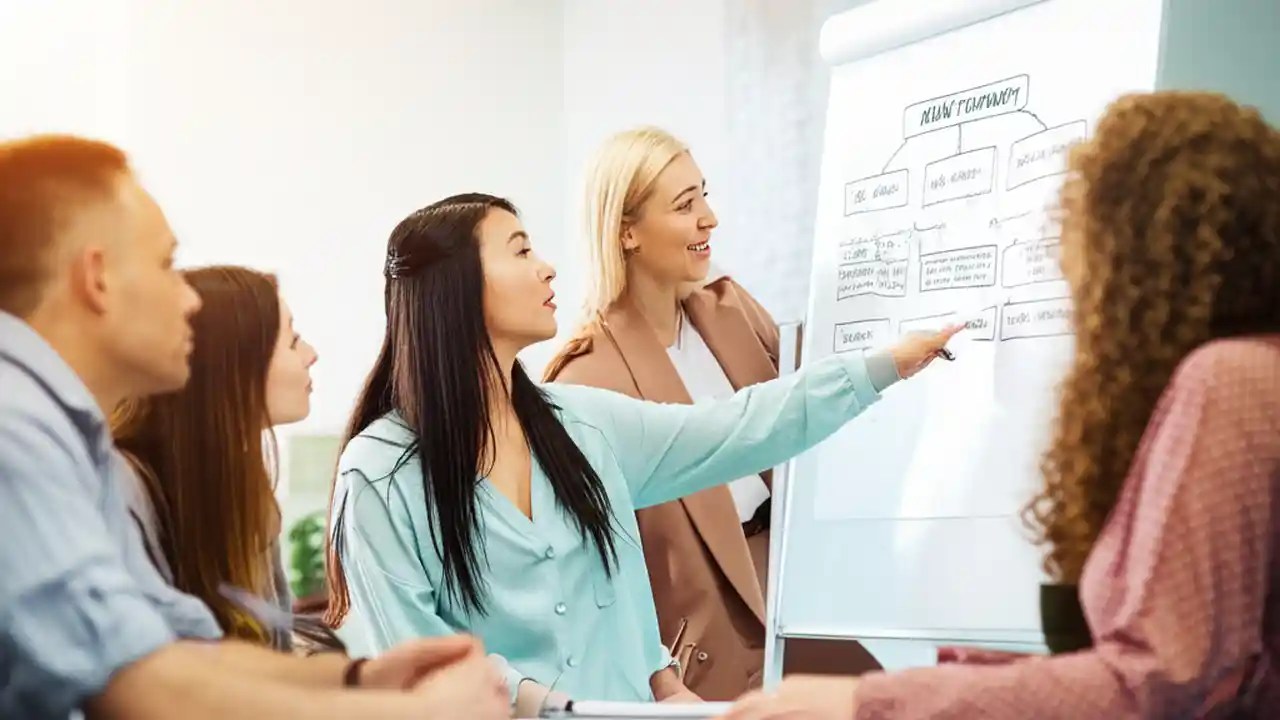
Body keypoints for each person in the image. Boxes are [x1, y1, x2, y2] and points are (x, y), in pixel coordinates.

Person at [721, 91, 1280, 719]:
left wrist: (867, 702)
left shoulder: (1231, 382)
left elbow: (1160, 686)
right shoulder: (1236, 375)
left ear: (1140, 255)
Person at [322, 192, 960, 712]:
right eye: (520, 251)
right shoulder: (379, 475)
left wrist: (884, 366)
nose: (547, 267)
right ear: (455, 287)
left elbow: (741, 427)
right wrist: (550, 705)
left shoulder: (583, 425)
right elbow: (419, 660)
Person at [0, 135, 507, 720]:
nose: (189, 300)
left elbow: (177, 649)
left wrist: (359, 676)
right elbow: (139, 686)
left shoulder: (65, 436)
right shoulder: (16, 431)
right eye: (165, 265)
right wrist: (425, 713)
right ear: (97, 277)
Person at [543, 126, 881, 700]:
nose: (709, 218)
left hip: (802, 594)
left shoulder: (731, 309)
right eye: (684, 205)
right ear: (627, 232)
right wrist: (661, 679)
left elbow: (801, 420)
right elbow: (587, 580)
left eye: (704, 195)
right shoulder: (582, 377)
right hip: (705, 649)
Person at [112, 266, 318, 651]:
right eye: (293, 341)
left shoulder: (249, 496)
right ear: (235, 363)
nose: (311, 355)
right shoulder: (123, 490)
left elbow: (276, 652)